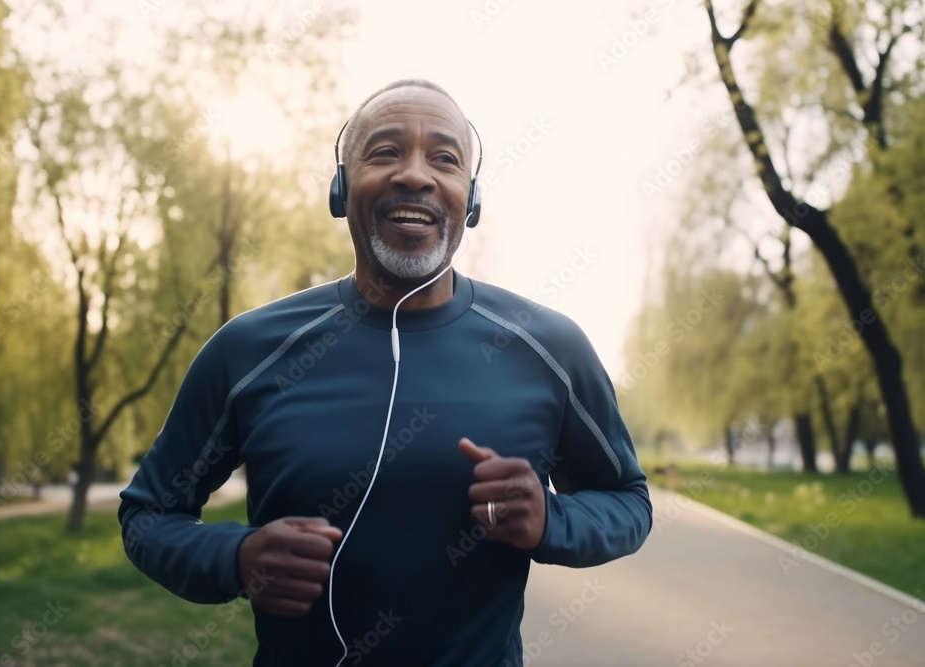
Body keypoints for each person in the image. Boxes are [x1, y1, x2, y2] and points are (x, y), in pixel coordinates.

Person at [118, 79, 652, 667]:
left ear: (469, 199)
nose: (416, 176)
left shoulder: (549, 347)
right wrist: (236, 558)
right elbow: (148, 516)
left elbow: (628, 501)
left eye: (444, 159)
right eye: (385, 152)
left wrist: (552, 519)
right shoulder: (248, 350)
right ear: (342, 187)